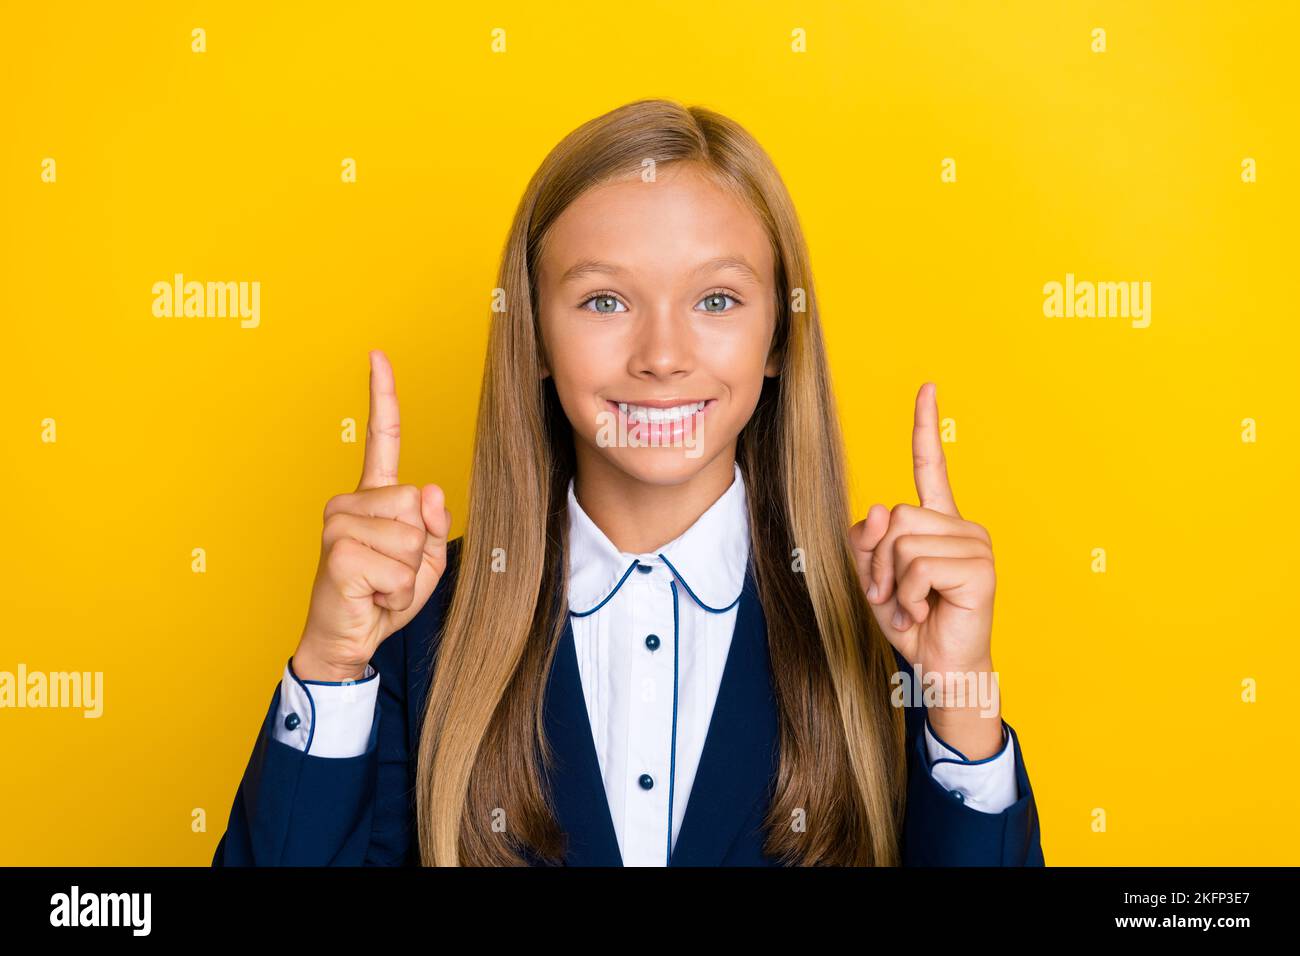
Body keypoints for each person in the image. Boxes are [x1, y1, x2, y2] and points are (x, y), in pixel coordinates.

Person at [213, 98, 1043, 867]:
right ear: (533, 338)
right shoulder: (417, 632)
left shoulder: (889, 631)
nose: (662, 355)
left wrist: (957, 701)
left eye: (716, 299)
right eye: (605, 301)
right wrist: (330, 662)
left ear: (779, 339)